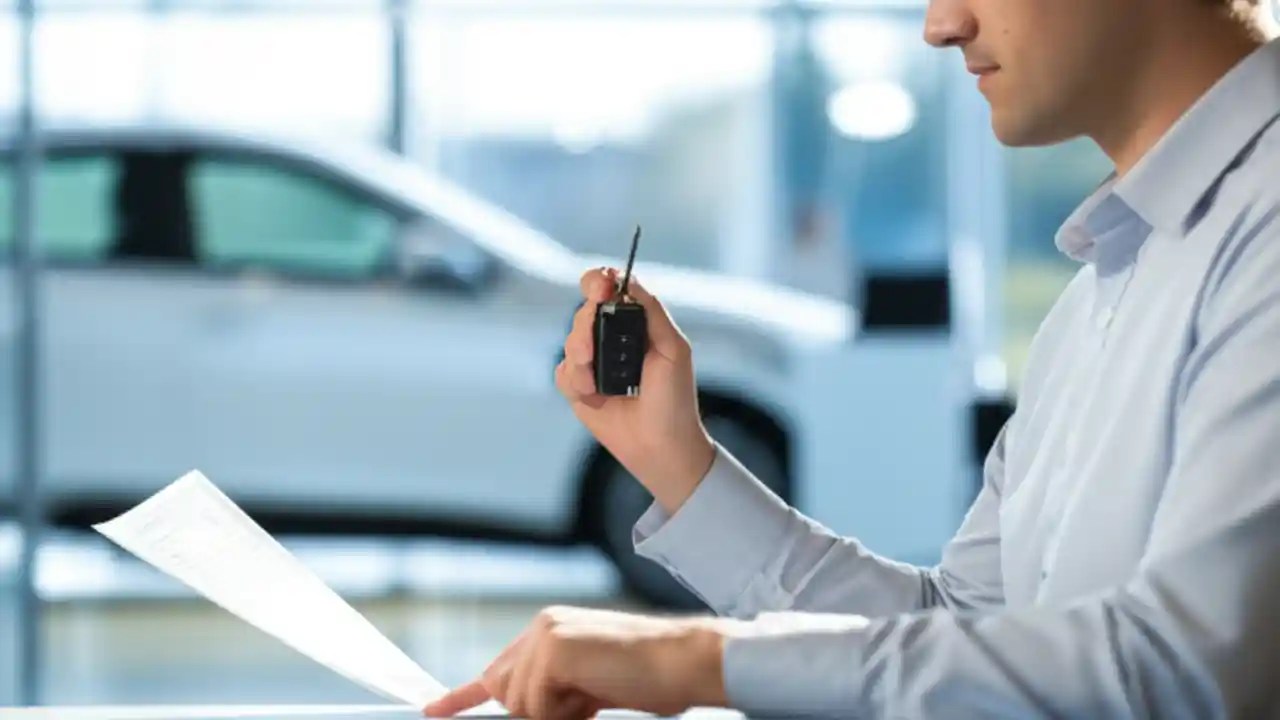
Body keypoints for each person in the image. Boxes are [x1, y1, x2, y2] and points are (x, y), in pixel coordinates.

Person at [425, 0, 1280, 717]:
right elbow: (957, 634)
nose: (941, 24)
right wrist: (675, 463)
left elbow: (1190, 666)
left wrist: (696, 660)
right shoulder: (1101, 291)